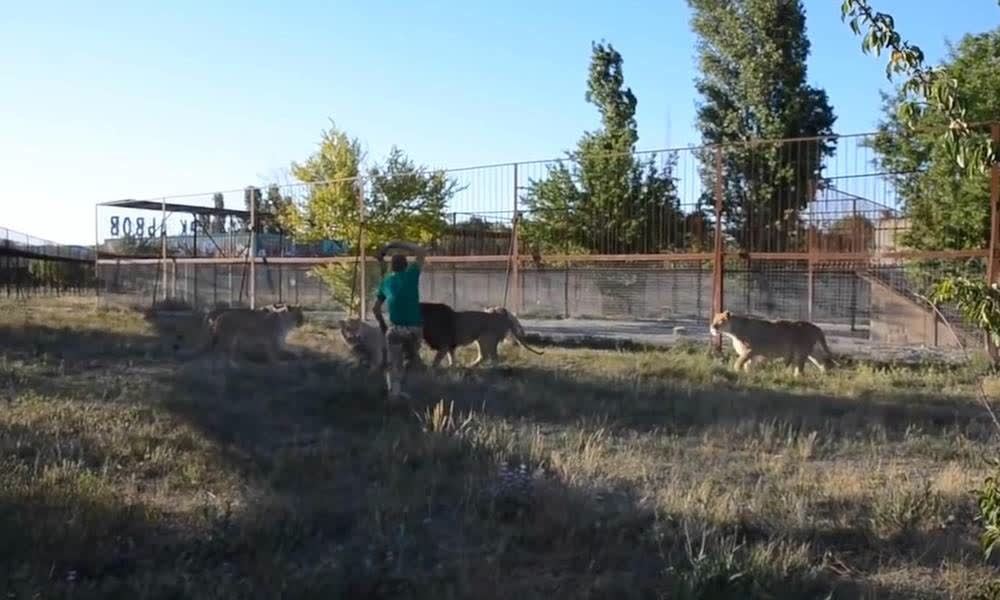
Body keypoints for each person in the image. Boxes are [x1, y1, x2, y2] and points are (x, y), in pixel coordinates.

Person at [372, 240, 427, 401]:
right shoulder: (412, 274)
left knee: (394, 364)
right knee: (413, 359)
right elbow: (421, 251)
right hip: (414, 329)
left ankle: (394, 394)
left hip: (394, 330)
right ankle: (415, 387)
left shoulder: (386, 282)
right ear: (406, 265)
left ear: (392, 267)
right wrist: (396, 243)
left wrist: (383, 326)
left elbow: (375, 310)